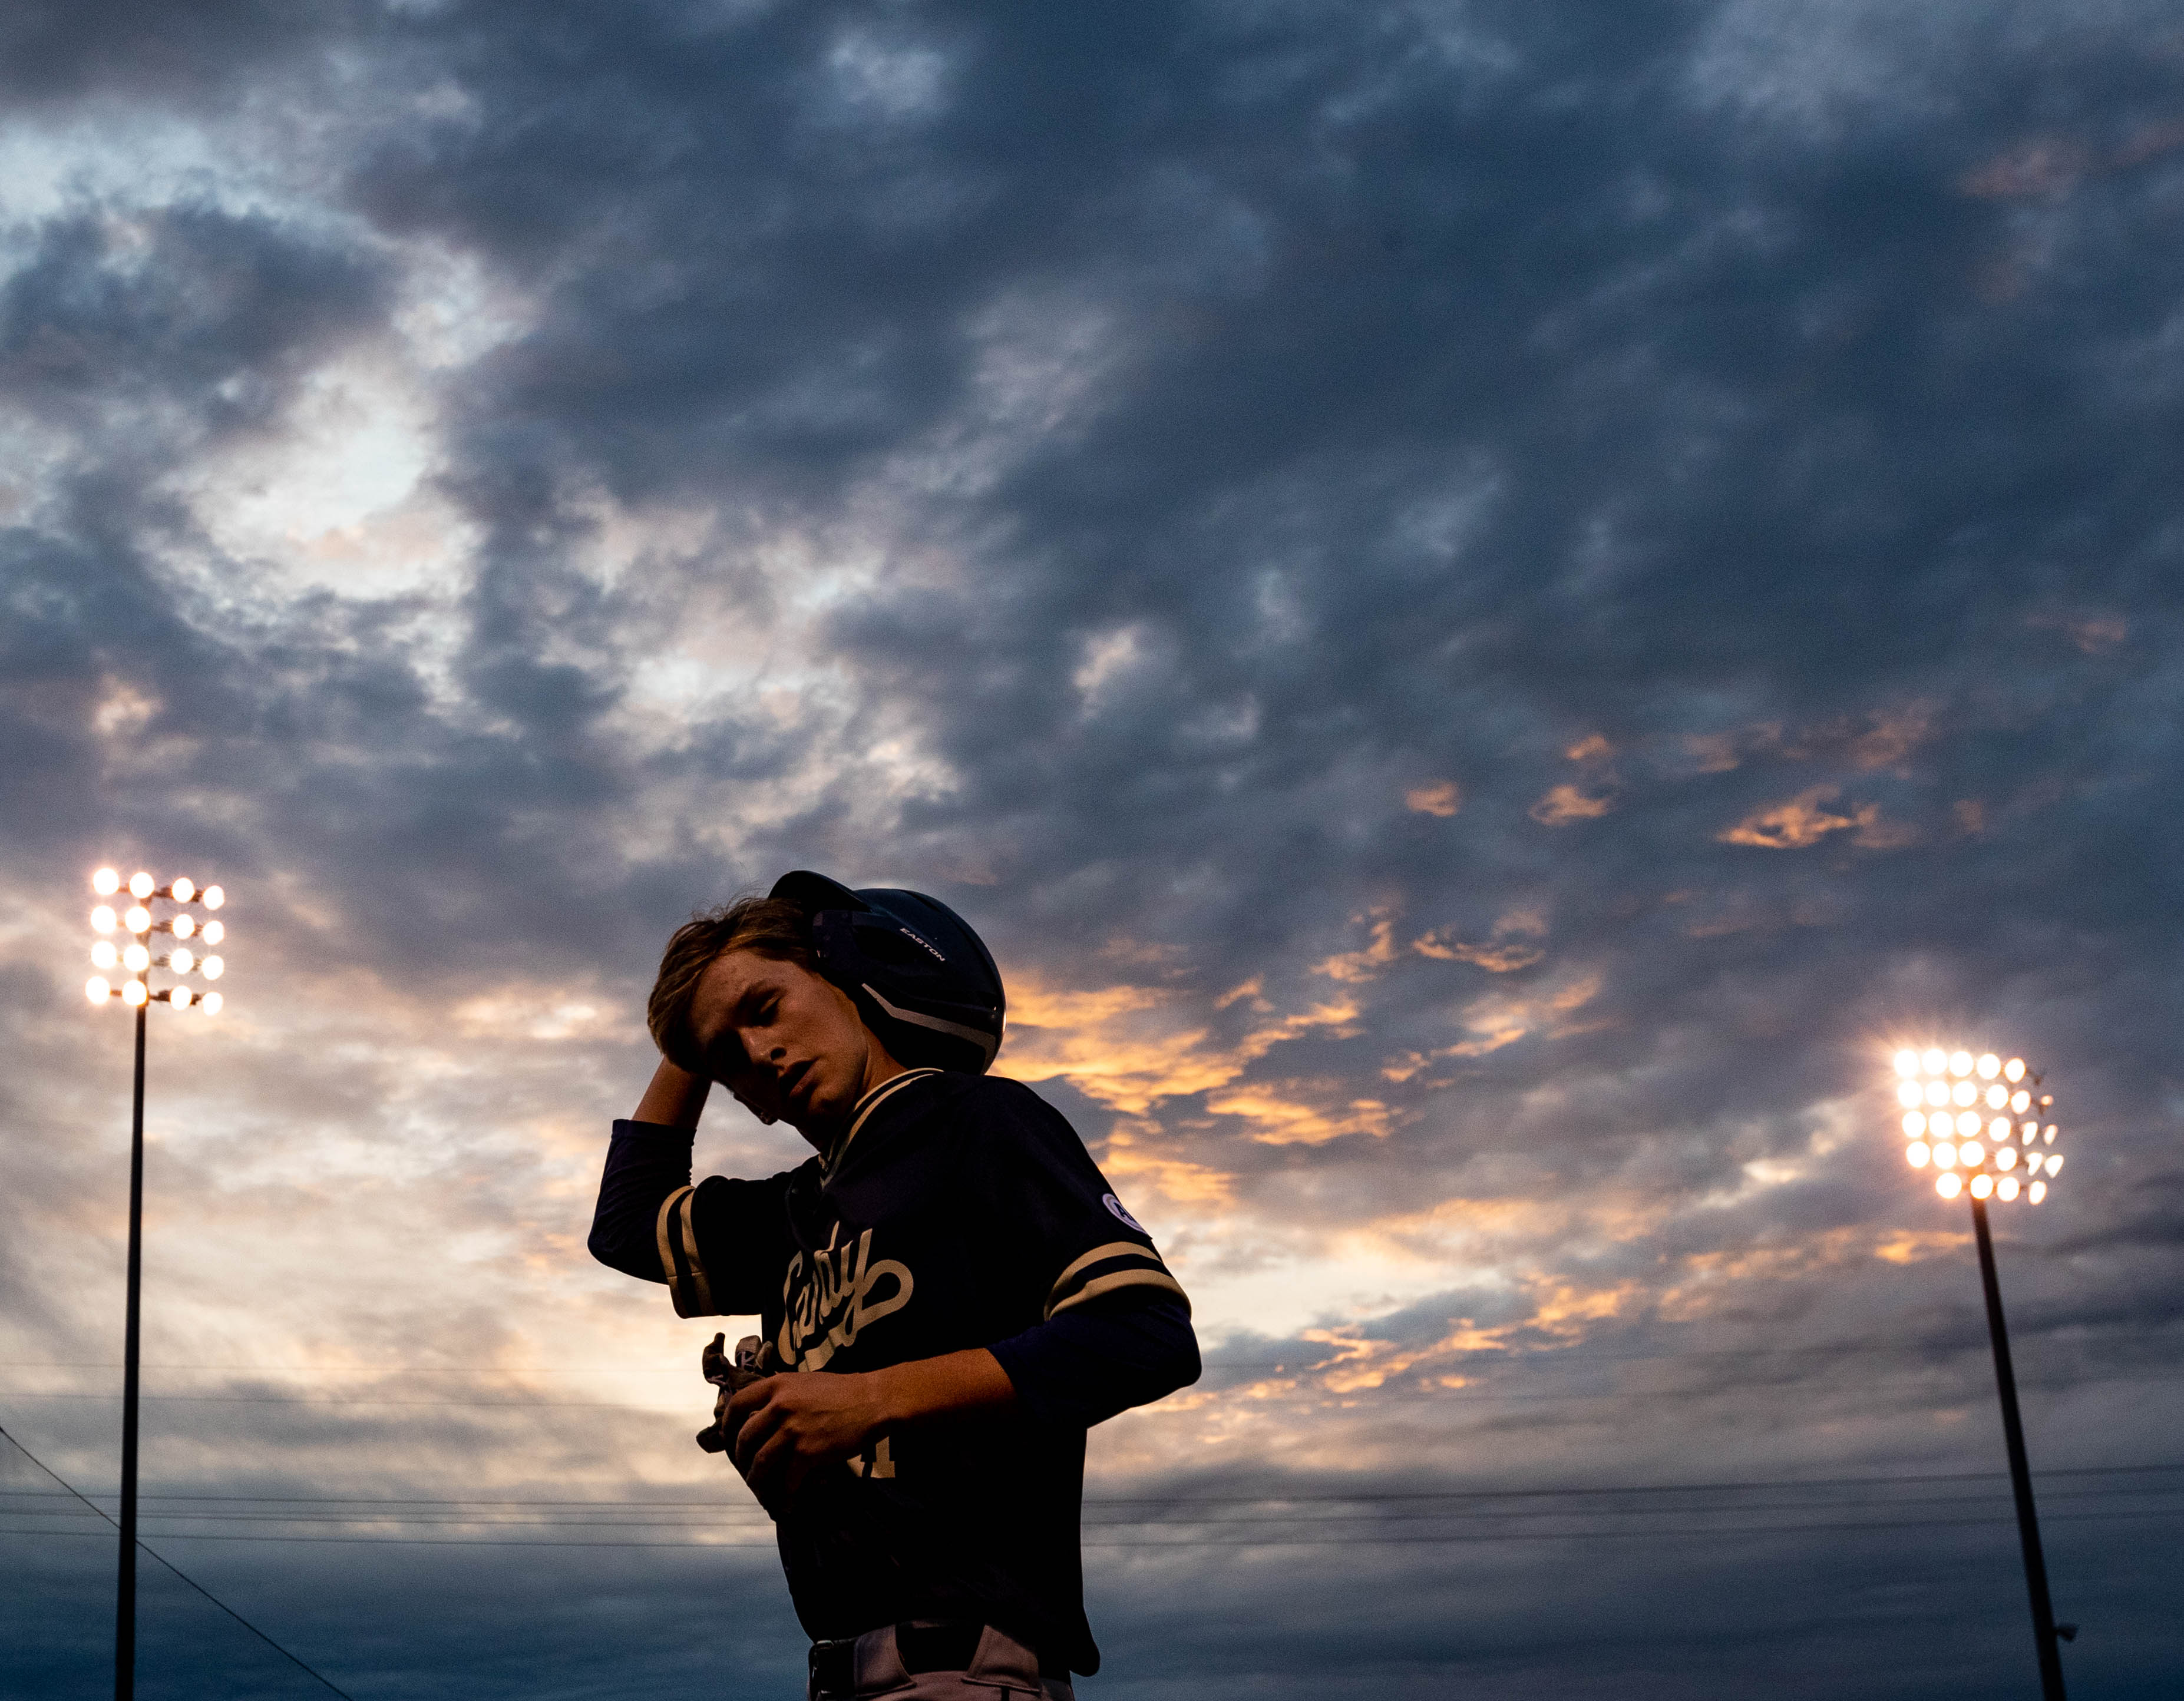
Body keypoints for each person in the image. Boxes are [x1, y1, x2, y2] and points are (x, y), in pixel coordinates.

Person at [588, 872, 1201, 1699]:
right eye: (729, 1059)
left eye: (766, 1007)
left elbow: (1146, 1333)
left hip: (965, 1666)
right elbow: (626, 1225)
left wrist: (873, 1398)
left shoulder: (972, 1121)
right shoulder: (793, 1212)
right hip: (845, 1675)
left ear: (846, 979)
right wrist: (691, 1028)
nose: (759, 1054)